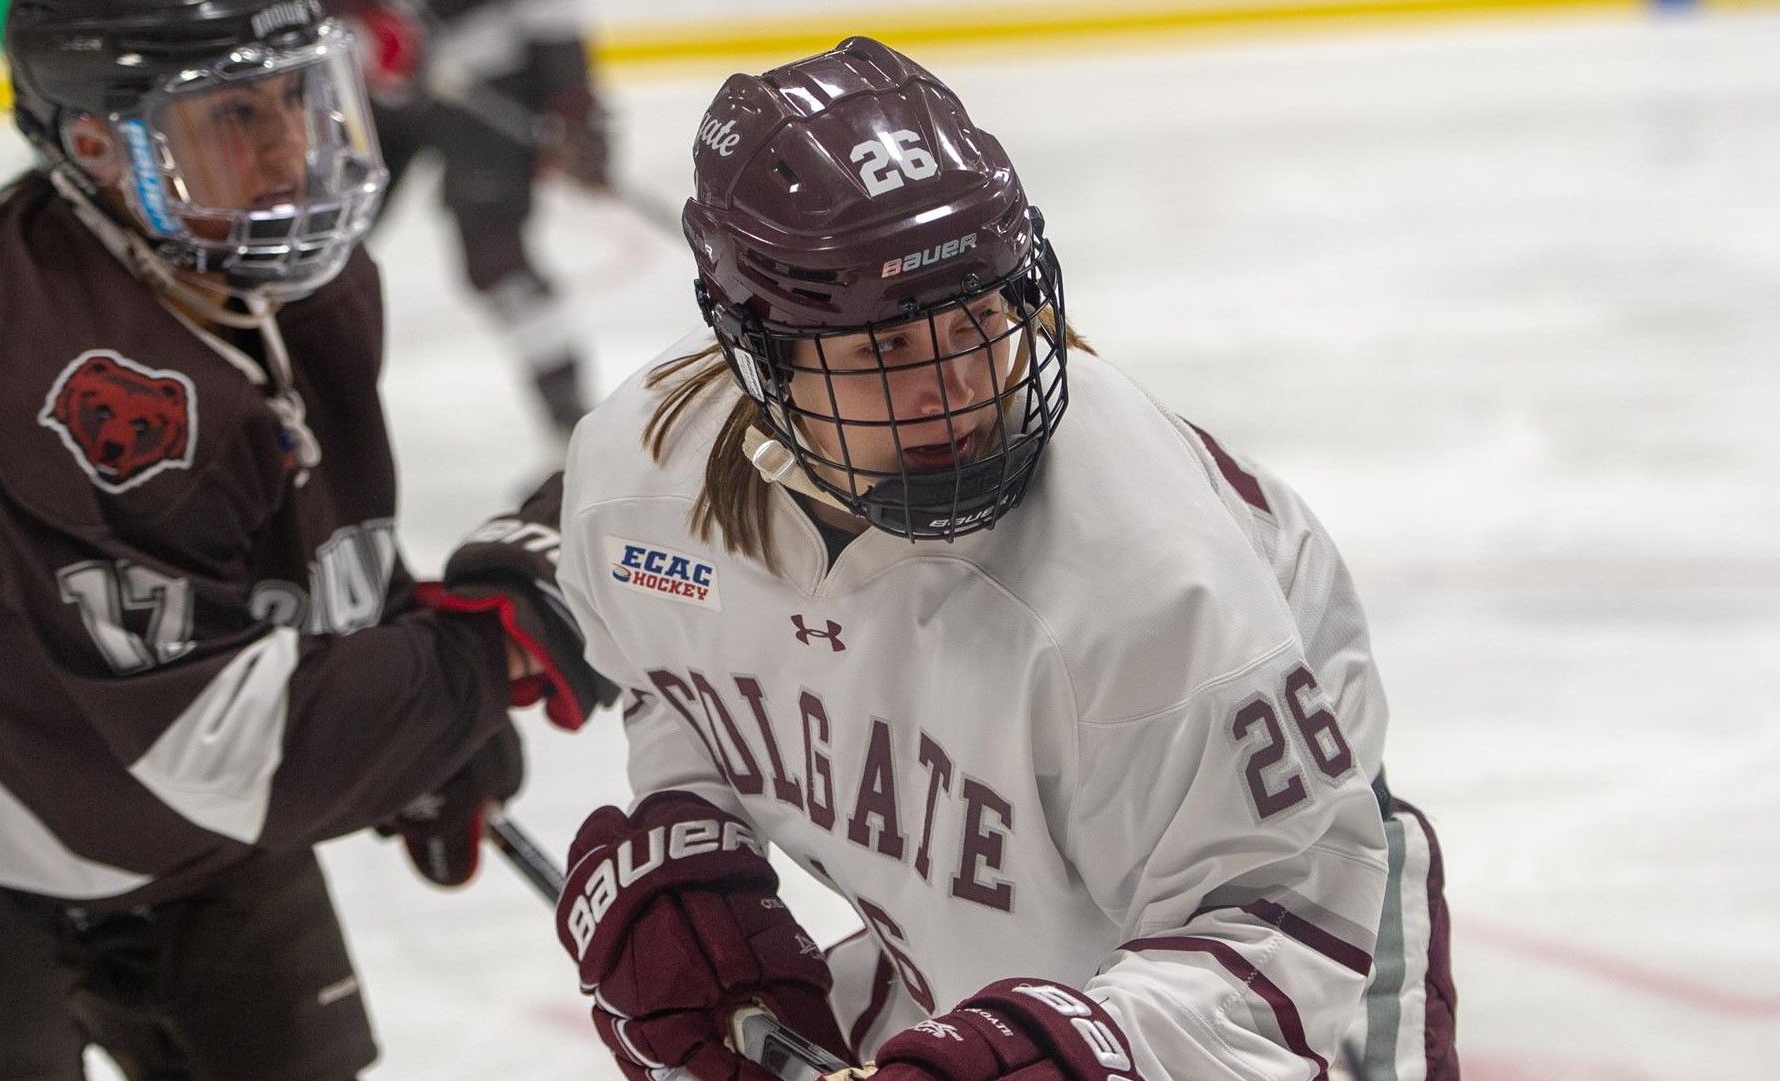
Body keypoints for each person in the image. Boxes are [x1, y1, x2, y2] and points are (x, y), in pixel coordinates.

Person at [549, 36, 1457, 1081]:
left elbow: (1287, 929)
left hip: (1279, 952)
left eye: (980, 319)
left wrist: (1051, 1058)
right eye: (885, 350)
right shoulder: (638, 488)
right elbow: (669, 669)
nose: (958, 386)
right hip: (978, 962)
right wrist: (696, 833)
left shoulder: (1144, 575)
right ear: (762, 355)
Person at [0, 2, 612, 1079]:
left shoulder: (307, 279)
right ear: (95, 148)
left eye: (296, 100)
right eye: (226, 119)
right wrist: (482, 652)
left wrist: (410, 720)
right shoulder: (69, 381)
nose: (284, 154)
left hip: (190, 833)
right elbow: (241, 750)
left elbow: (309, 565)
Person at [335, 0, 612, 455]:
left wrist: (572, 101)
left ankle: (568, 416)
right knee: (326, 245)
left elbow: (549, 14)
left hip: (480, 80)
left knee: (497, 260)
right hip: (368, 86)